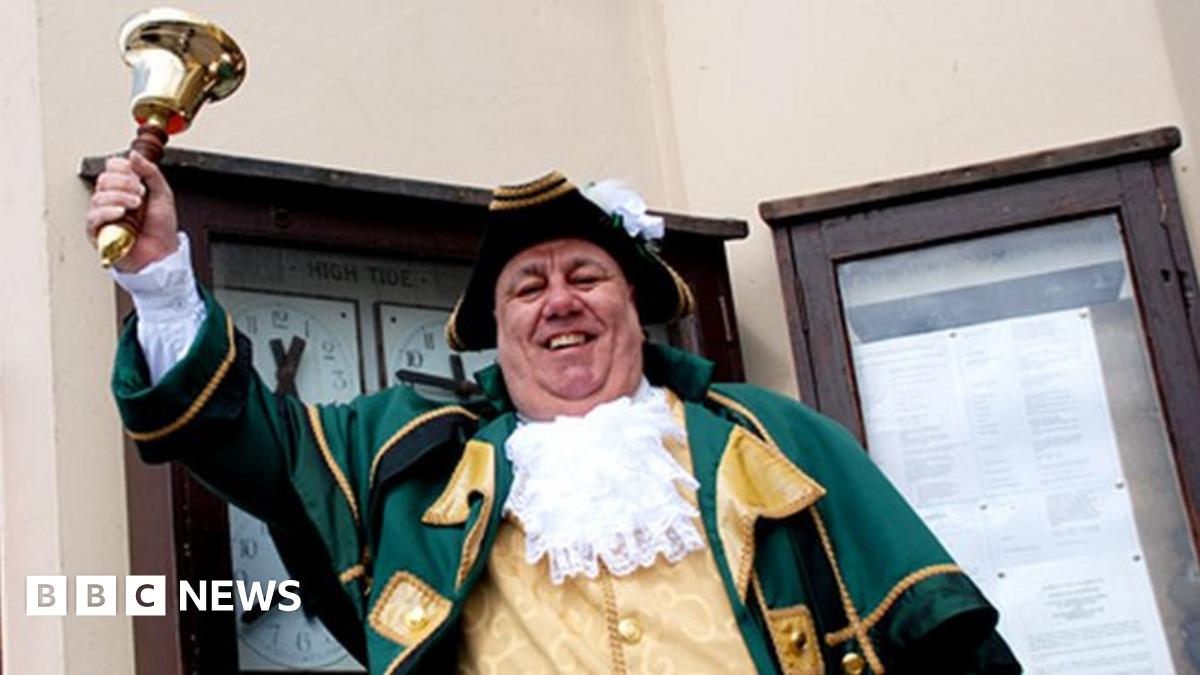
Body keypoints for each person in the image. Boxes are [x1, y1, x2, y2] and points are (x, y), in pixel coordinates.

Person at [88, 152, 1021, 675]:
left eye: (587, 276)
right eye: (528, 287)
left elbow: (947, 639)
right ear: (497, 331)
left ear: (634, 301)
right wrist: (162, 284)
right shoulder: (417, 456)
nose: (559, 302)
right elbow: (239, 439)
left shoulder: (771, 439)